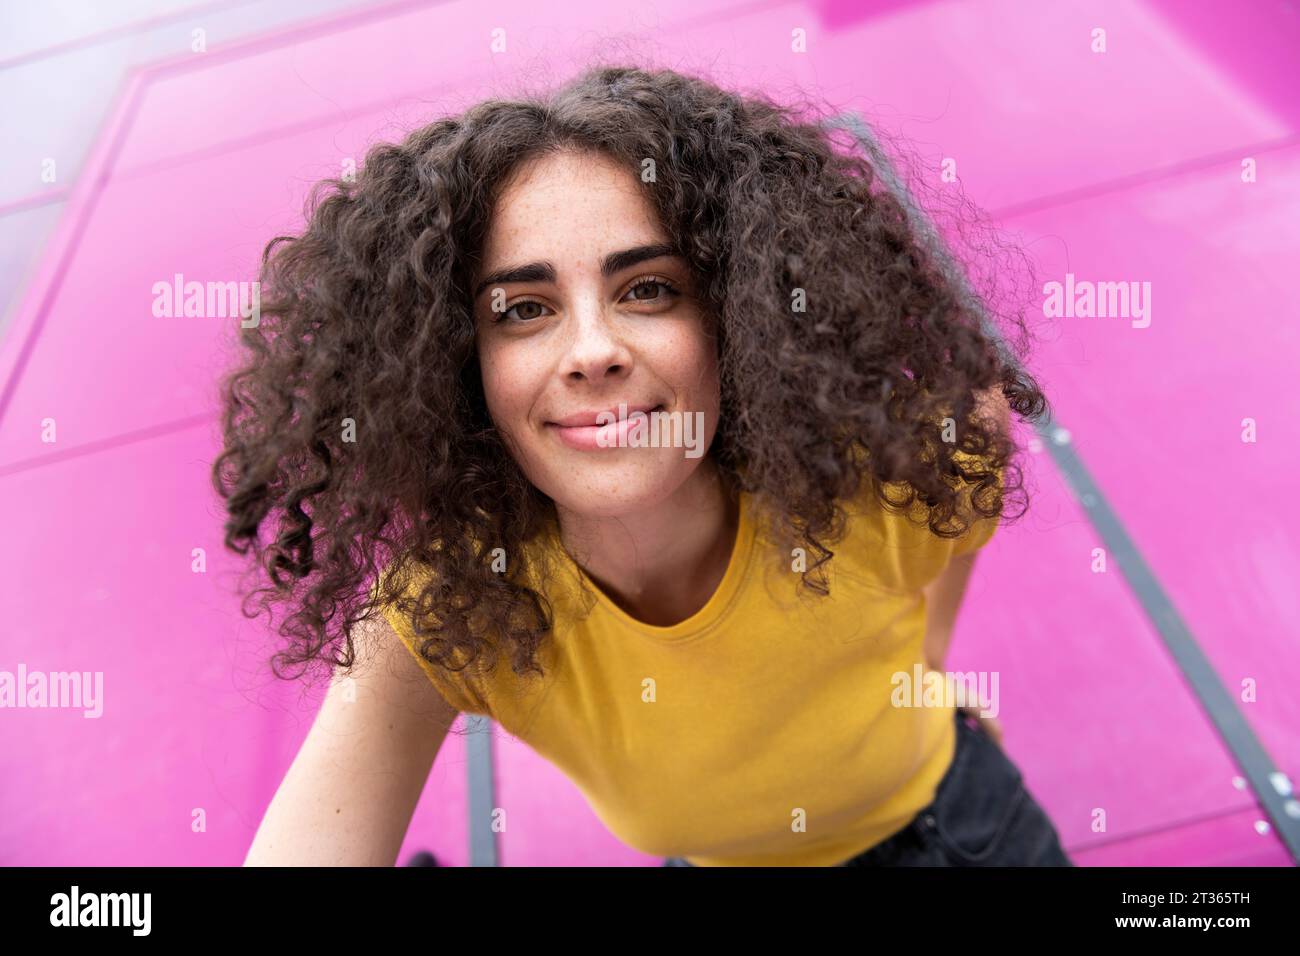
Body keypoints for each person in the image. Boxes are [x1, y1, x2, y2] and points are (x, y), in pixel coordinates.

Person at [221, 64, 1068, 866]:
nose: (593, 351)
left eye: (649, 289)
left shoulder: (890, 475)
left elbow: (964, 487)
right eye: (522, 310)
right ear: (455, 364)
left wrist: (928, 668)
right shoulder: (449, 607)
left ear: (736, 316)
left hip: (964, 833)